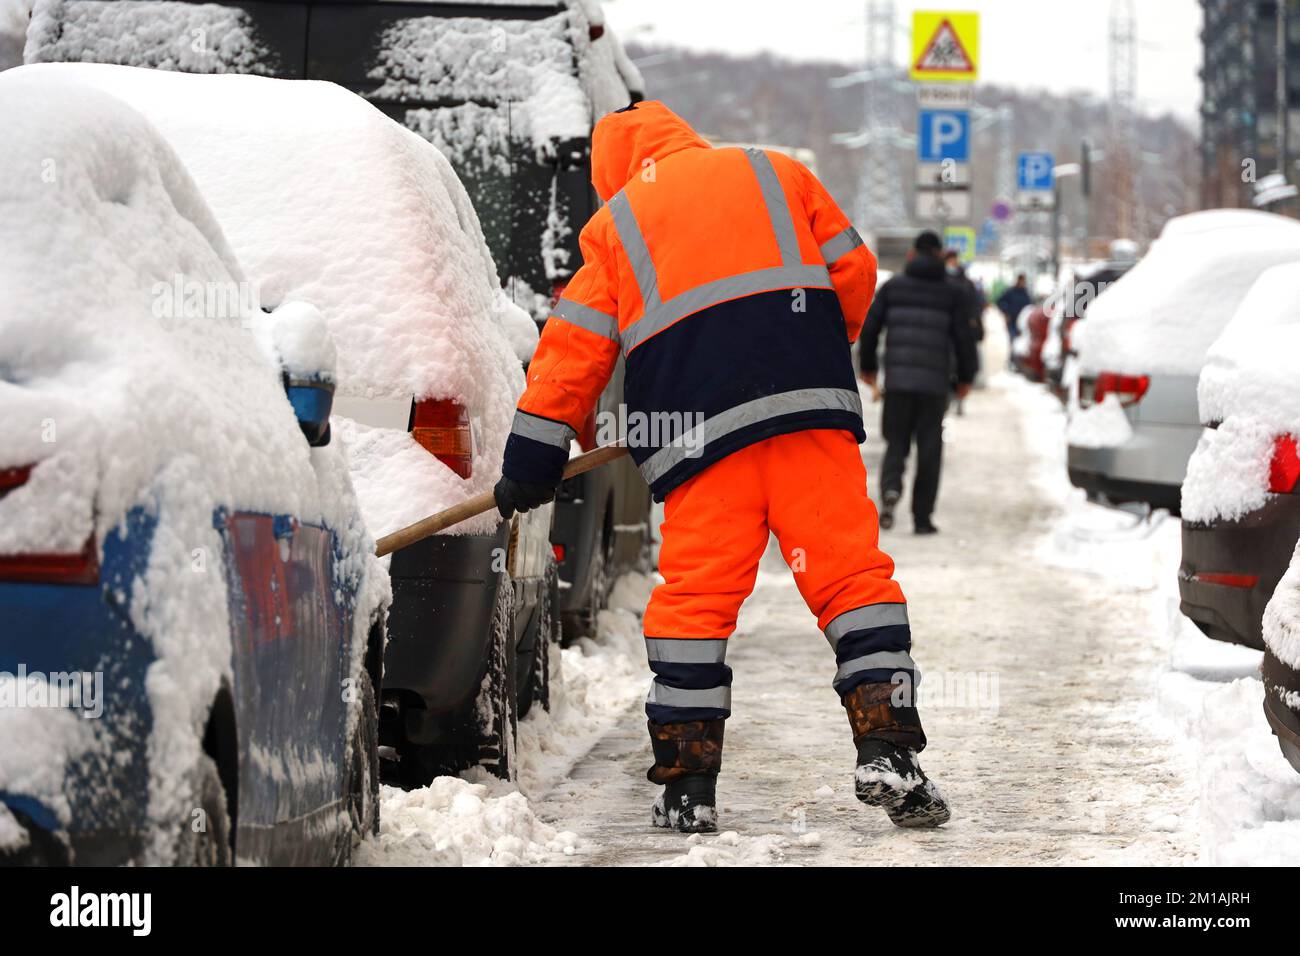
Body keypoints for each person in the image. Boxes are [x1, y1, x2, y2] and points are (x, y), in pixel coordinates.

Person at [493, 101, 949, 833]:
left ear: (615, 174)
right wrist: (820, 347)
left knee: (696, 605)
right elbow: (853, 268)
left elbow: (571, 356)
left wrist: (532, 457)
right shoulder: (775, 172)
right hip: (809, 421)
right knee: (852, 580)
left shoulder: (616, 227)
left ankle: (687, 788)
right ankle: (889, 750)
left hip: (701, 444)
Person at [858, 231, 977, 535]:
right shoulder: (953, 293)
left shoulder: (893, 287)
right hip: (934, 386)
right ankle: (922, 518)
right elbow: (965, 339)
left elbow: (870, 329)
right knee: (929, 449)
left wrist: (868, 367)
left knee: (895, 442)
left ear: (912, 254)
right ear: (939, 255)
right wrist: (966, 378)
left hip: (897, 382)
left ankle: (890, 491)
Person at [996, 272, 1032, 342]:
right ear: (1018, 281)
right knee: (1013, 340)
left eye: (1024, 282)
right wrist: (1006, 312)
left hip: (1022, 322)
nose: (1023, 283)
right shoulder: (1010, 291)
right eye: (1022, 281)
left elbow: (1029, 306)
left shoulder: (1025, 293)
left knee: (1020, 342)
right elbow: (999, 301)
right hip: (1012, 321)